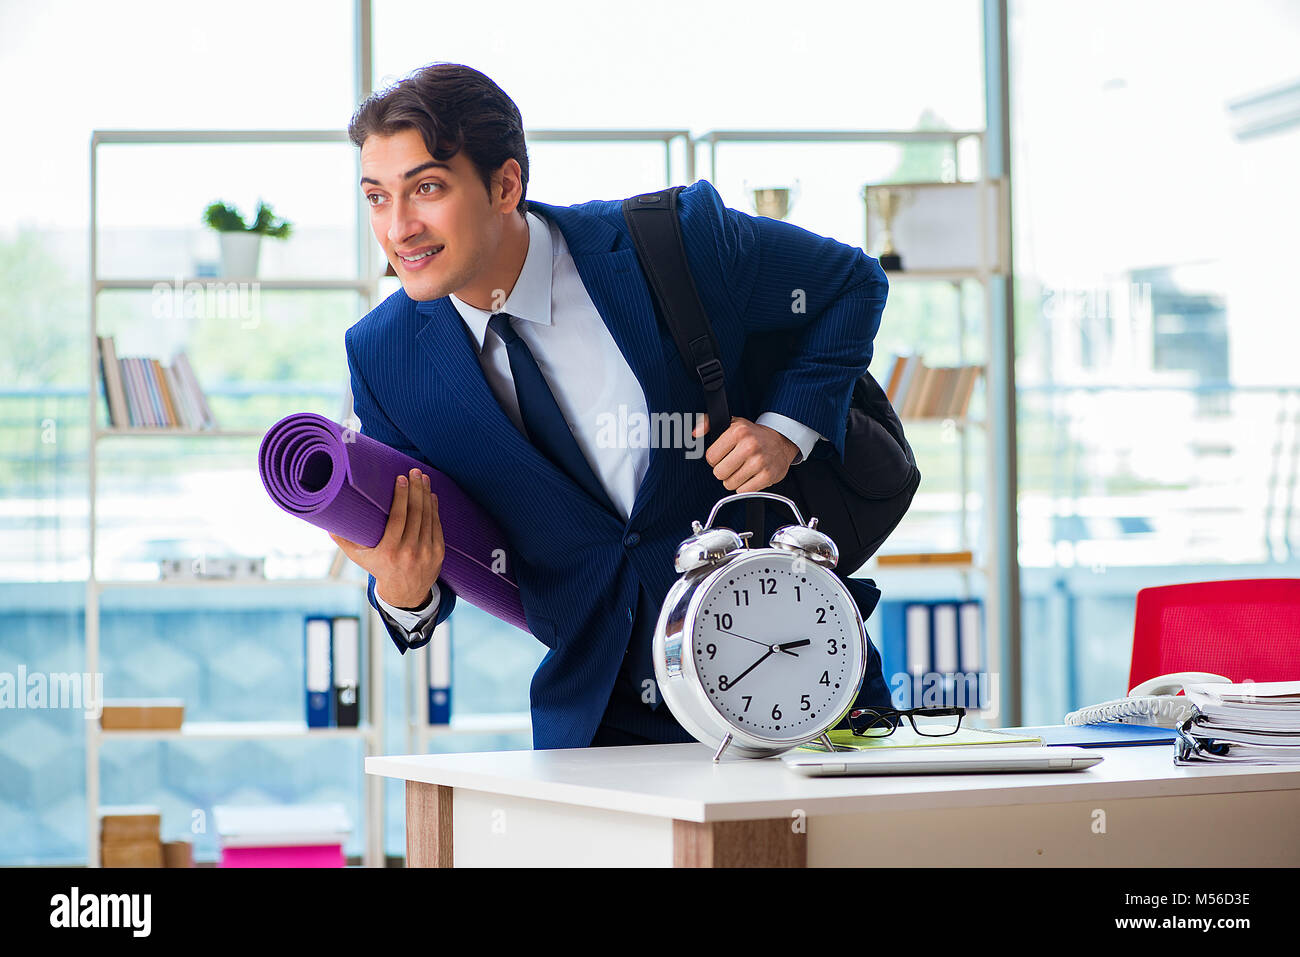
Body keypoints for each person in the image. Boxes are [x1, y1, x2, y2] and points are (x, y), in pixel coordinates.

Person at [331, 62, 893, 750]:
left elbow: (851, 285)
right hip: (599, 720)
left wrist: (783, 430)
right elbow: (438, 560)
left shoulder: (674, 241)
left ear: (505, 184)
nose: (399, 228)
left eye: (426, 189)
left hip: (794, 672)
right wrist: (404, 592)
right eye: (376, 198)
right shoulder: (385, 358)